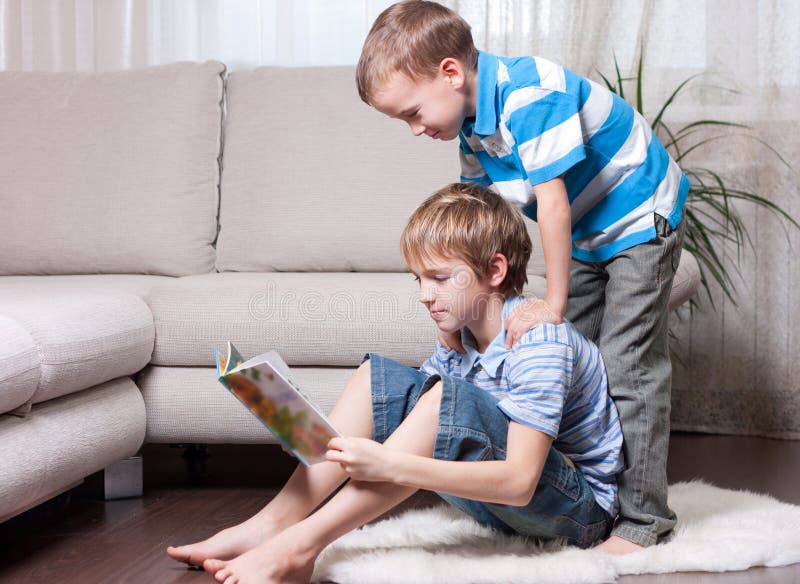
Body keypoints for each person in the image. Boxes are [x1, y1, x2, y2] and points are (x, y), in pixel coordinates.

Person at [356, 0, 687, 553]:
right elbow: (478, 220)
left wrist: (551, 304)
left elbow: (552, 206)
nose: (414, 129)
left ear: (451, 73)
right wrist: (461, 300)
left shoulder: (530, 95)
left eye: (412, 113)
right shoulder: (470, 132)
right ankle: (569, 491)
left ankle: (644, 522)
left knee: (627, 365)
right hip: (589, 229)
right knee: (564, 357)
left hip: (639, 217)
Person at [166, 182, 622, 583]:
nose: (425, 295)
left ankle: (300, 547)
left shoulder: (540, 343)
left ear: (495, 271)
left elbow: (520, 482)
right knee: (380, 379)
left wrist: (388, 465)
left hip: (573, 513)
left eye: (440, 278)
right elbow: (414, 417)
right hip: (505, 507)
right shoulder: (460, 339)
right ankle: (271, 525)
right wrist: (316, 441)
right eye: (419, 279)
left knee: (443, 401)